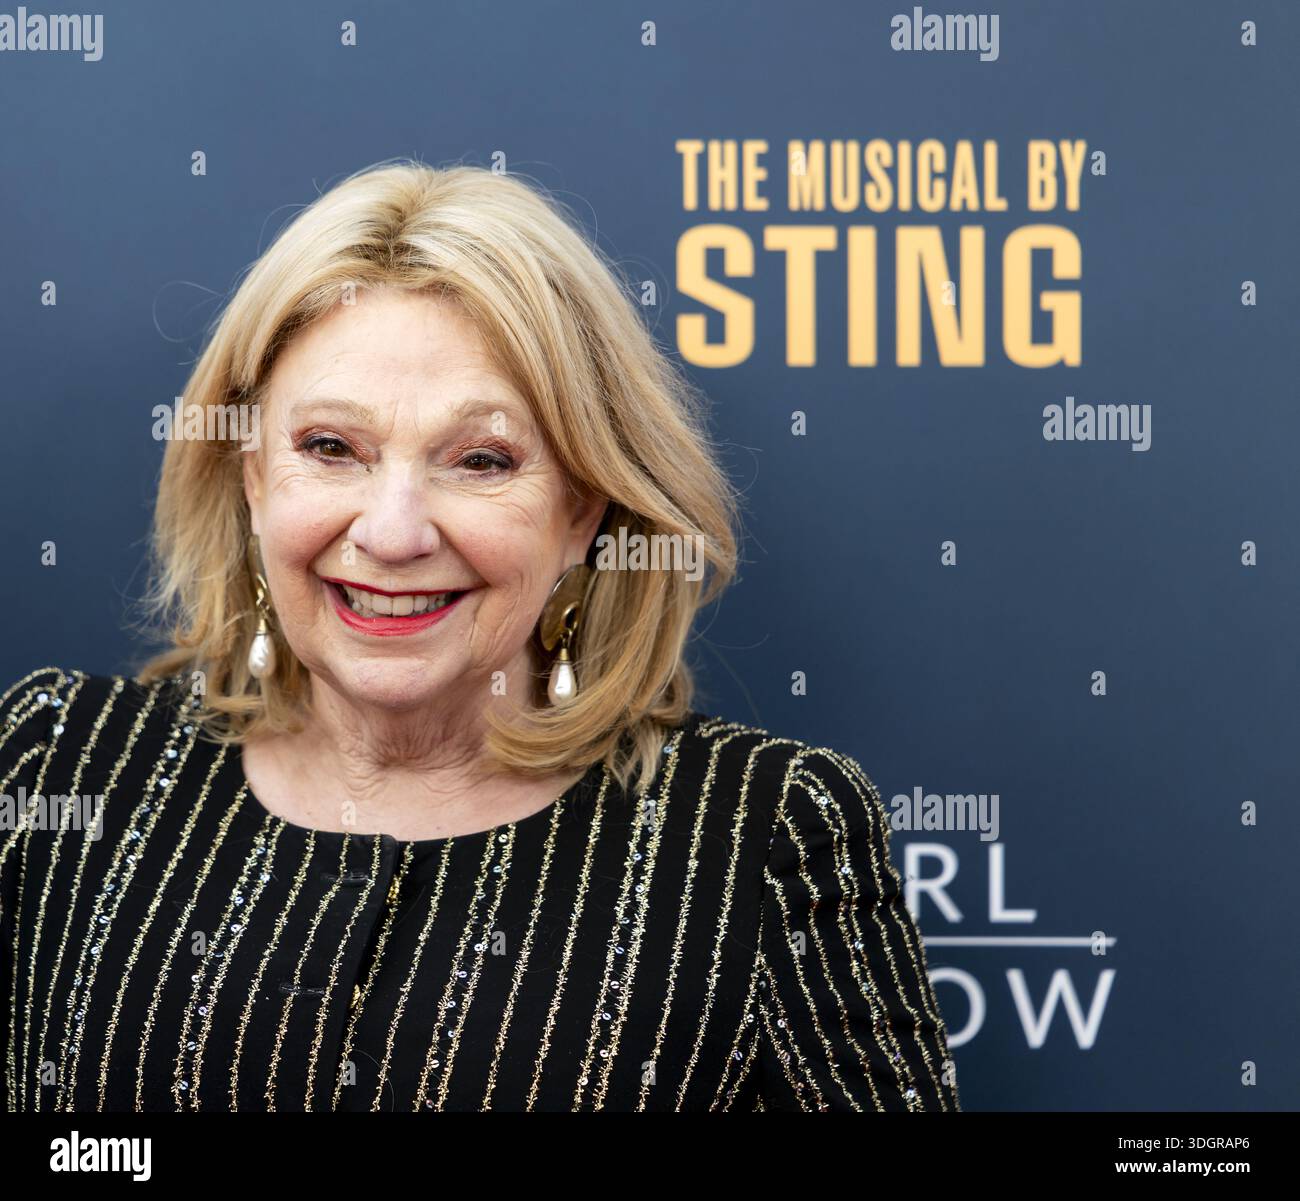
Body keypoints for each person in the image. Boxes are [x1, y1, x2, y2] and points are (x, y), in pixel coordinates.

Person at [0, 161, 959, 1112]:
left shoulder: (762, 838)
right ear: (253, 475)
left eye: (481, 460)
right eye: (330, 447)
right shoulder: (54, 768)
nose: (393, 531)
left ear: (584, 506)